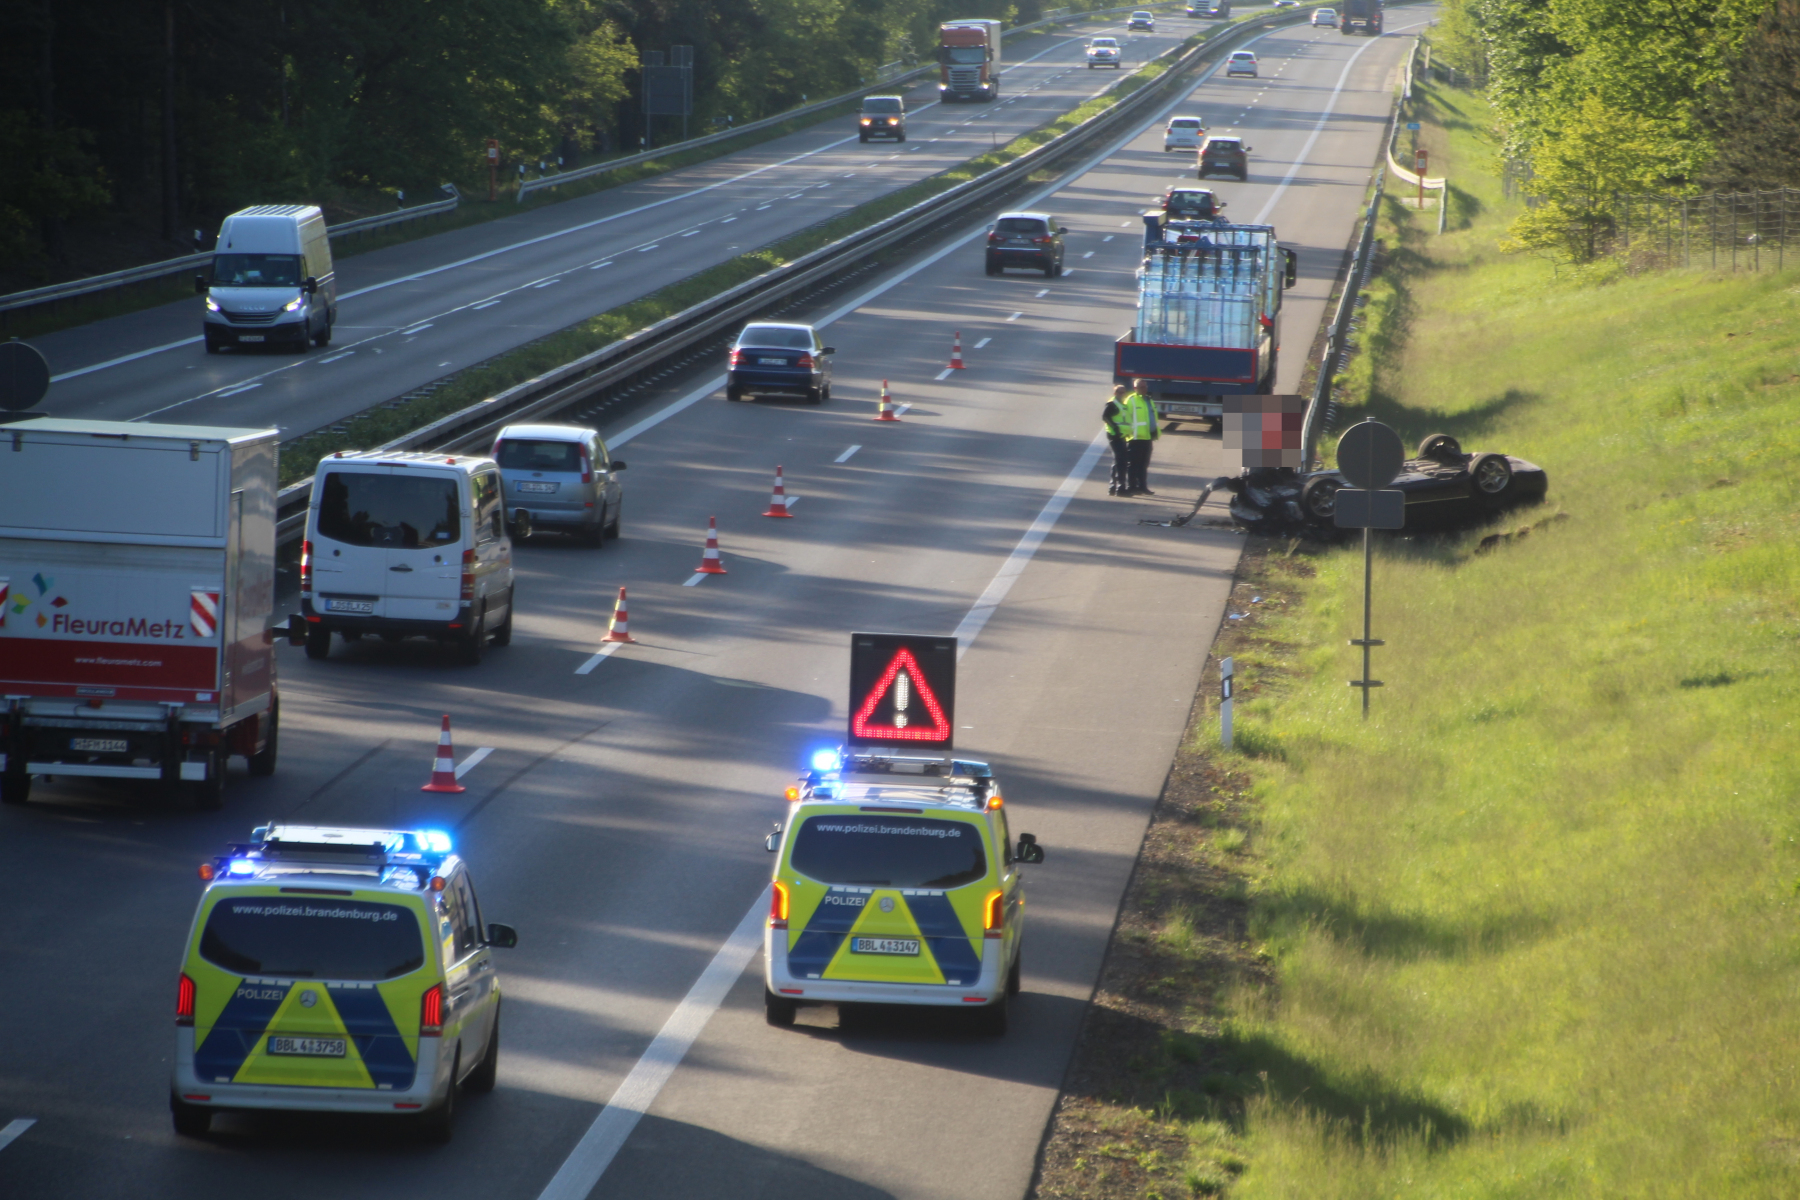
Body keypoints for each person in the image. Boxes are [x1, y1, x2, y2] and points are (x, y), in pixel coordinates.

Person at [1119, 378, 1161, 495]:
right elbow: (1125, 418)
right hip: (1135, 438)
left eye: (1146, 387)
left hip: (1147, 437)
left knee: (1144, 464)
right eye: (1142, 387)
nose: (1145, 389)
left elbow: (1152, 417)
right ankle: (1132, 486)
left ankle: (1143, 486)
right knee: (1133, 464)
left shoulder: (1148, 400)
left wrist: (1155, 432)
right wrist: (1127, 433)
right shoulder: (1131, 400)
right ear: (1135, 388)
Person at [1102, 385, 1130, 495]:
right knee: (1121, 461)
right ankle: (1120, 486)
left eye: (1123, 392)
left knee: (1118, 460)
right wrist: (1115, 428)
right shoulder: (1112, 404)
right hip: (1115, 436)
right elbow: (1105, 416)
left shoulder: (1122, 405)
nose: (1122, 394)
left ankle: (1113, 486)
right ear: (1115, 393)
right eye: (1119, 392)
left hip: (1122, 436)